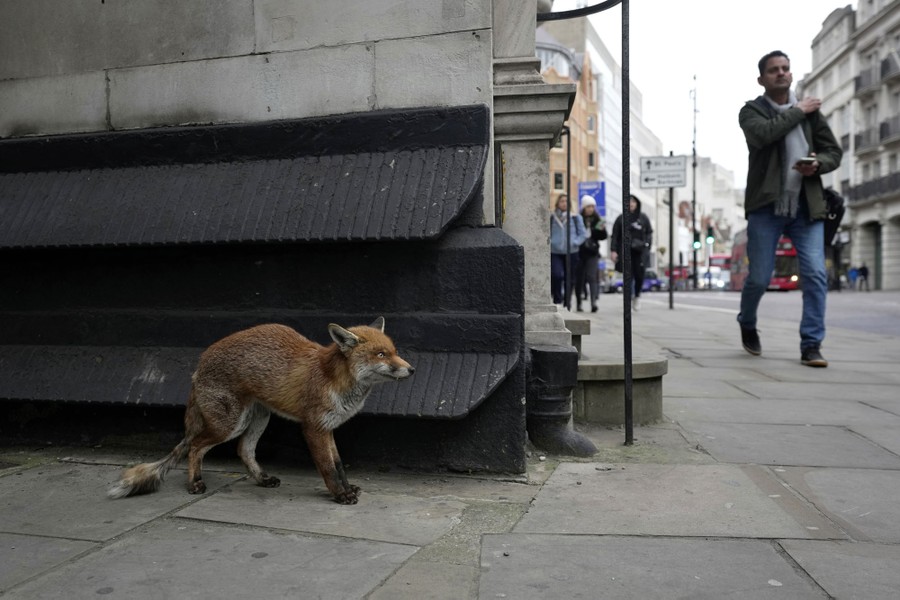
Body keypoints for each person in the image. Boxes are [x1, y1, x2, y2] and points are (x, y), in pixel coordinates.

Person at [737, 50, 842, 368]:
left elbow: (833, 152)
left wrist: (817, 164)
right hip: (765, 207)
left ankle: (811, 344)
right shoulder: (751, 111)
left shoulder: (811, 114)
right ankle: (747, 321)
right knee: (758, 277)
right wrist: (798, 109)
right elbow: (764, 135)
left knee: (814, 273)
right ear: (762, 79)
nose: (781, 73)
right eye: (774, 70)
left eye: (785, 68)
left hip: (805, 206)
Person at [610, 195, 653, 312]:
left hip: (640, 253)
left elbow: (649, 233)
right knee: (628, 277)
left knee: (639, 276)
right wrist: (613, 250)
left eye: (633, 202)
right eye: (629, 202)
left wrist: (647, 245)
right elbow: (615, 236)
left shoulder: (643, 218)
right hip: (625, 252)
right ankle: (628, 299)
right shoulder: (621, 219)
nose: (631, 204)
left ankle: (637, 296)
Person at [550, 194, 587, 308]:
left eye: (566, 201)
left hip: (572, 252)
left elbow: (582, 234)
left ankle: (567, 302)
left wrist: (575, 242)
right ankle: (557, 300)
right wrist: (551, 242)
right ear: (557, 203)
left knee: (569, 278)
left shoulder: (576, 217)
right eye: (562, 201)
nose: (564, 203)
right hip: (555, 251)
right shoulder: (552, 217)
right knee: (556, 275)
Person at [575, 195, 608, 312]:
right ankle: (579, 303)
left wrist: (594, 231)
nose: (591, 209)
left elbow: (604, 236)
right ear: (584, 207)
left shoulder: (598, 220)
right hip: (579, 251)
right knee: (579, 278)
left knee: (592, 277)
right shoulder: (578, 219)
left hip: (592, 252)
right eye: (589, 206)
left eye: (593, 206)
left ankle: (593, 302)